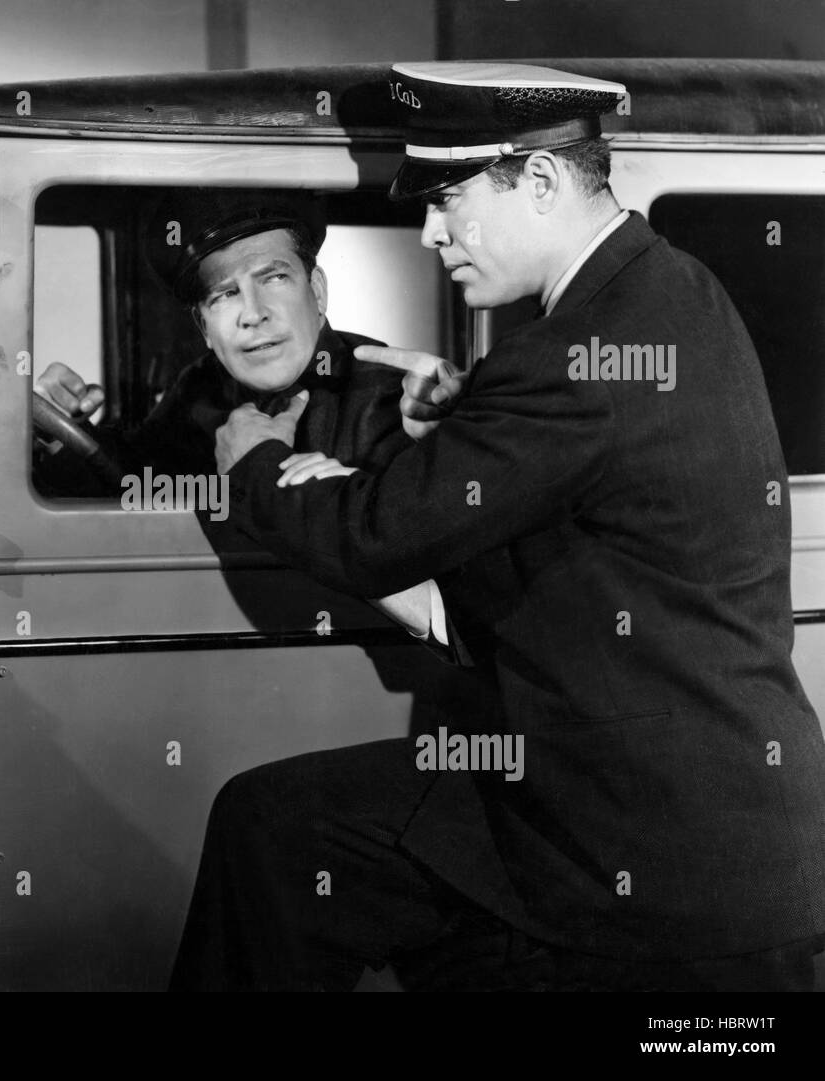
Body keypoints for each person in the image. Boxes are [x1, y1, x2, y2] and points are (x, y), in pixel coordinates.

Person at [174, 62, 825, 991]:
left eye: (448, 198)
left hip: (646, 857)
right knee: (283, 828)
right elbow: (598, 537)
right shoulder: (667, 292)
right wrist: (459, 435)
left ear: (546, 181)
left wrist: (258, 462)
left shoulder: (571, 355)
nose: (432, 232)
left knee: (276, 829)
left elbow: (366, 538)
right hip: (683, 814)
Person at [34, 190, 451, 640]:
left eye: (273, 279)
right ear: (204, 329)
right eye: (225, 294)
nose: (253, 314)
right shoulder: (202, 390)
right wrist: (62, 434)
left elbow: (408, 559)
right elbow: (136, 481)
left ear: (317, 291)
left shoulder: (390, 395)